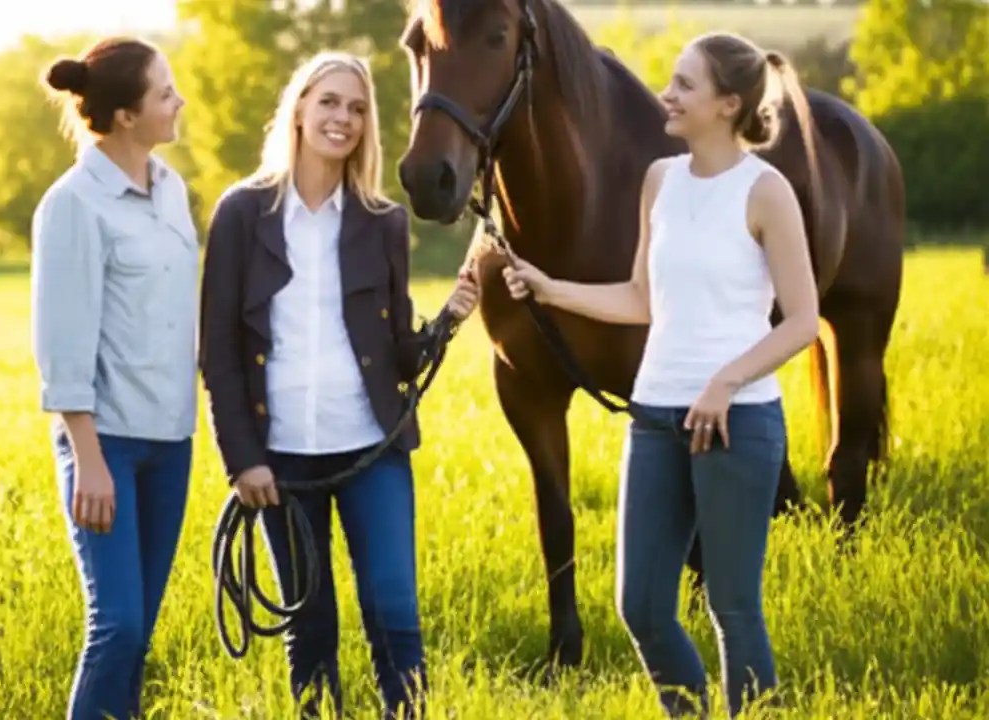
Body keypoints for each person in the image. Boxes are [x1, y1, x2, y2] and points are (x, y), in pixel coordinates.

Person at [503, 32, 820, 718]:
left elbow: (801, 319)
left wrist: (725, 383)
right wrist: (552, 289)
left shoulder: (767, 192)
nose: (665, 96)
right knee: (641, 605)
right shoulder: (660, 180)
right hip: (654, 418)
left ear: (728, 105)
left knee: (734, 608)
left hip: (738, 423)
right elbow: (641, 298)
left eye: (684, 85)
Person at [198, 51, 479, 719]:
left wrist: (448, 320)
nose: (343, 118)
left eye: (356, 108)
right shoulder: (242, 214)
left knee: (395, 613)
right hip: (281, 461)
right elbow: (218, 353)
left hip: (370, 452)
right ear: (298, 109)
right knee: (310, 626)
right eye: (329, 102)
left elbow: (394, 355)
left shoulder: (383, 222)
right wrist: (243, 460)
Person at [30, 37, 197, 720]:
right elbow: (61, 344)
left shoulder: (172, 189)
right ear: (127, 116)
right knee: (117, 626)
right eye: (165, 93)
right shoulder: (73, 204)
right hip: (107, 449)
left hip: (171, 441)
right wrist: (89, 461)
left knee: (139, 635)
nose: (178, 100)